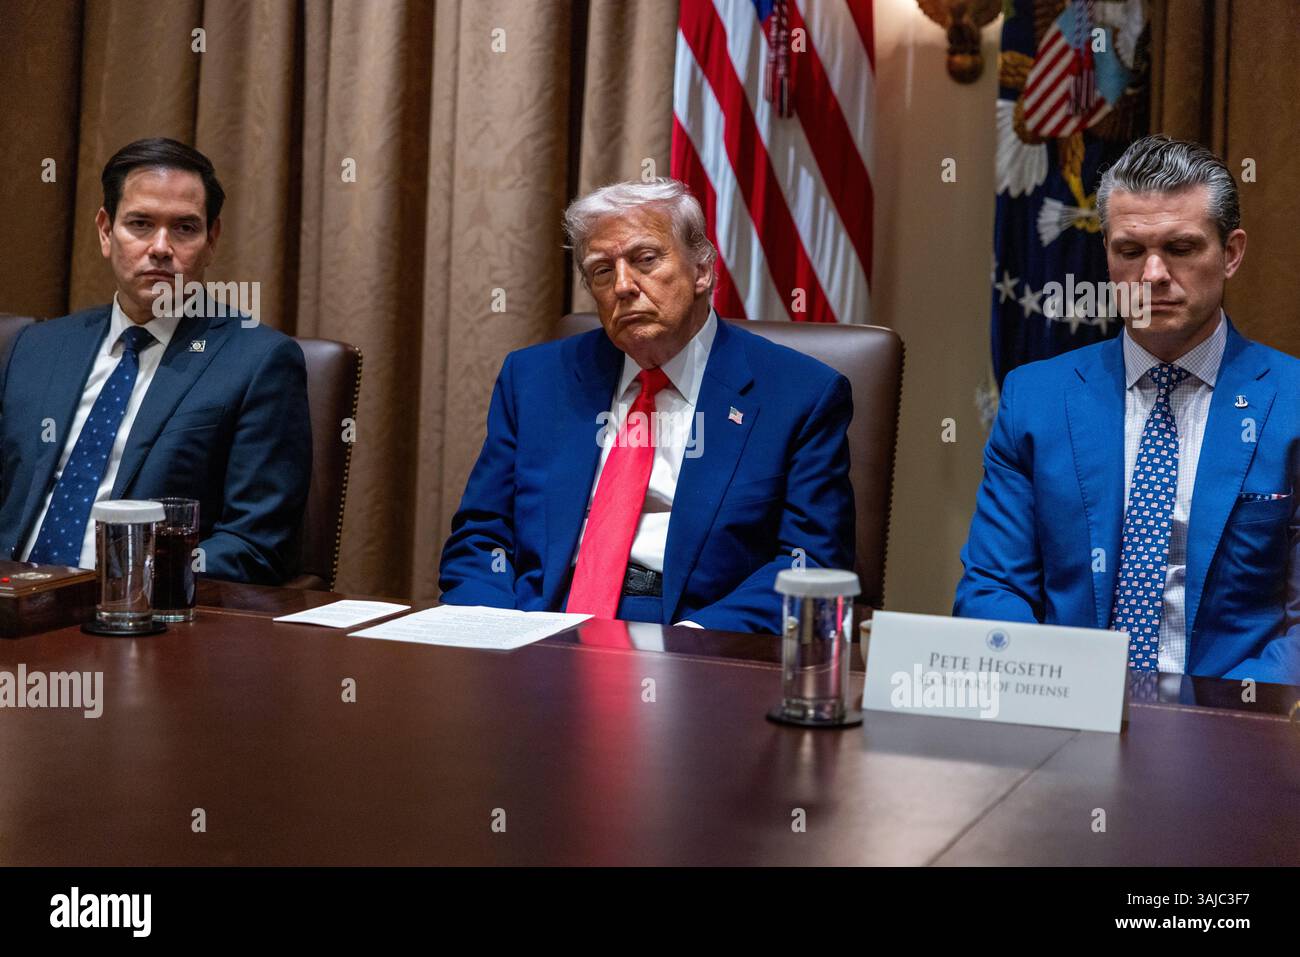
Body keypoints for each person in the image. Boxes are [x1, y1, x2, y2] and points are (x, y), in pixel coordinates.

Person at [439, 178, 855, 633]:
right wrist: (487, 627)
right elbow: (482, 535)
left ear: (702, 270)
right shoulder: (535, 379)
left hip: (693, 628)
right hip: (538, 622)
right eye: (601, 270)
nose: (622, 286)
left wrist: (695, 647)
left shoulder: (799, 395)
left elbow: (809, 563)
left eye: (646, 260)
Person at [955, 135, 1300, 684]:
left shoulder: (1291, 404)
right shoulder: (1035, 399)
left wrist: (1217, 720)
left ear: (1230, 254)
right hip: (1065, 717)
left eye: (1182, 248)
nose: (1154, 275)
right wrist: (1047, 692)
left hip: (1234, 728)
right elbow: (995, 588)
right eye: (1130, 251)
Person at [0, 137, 311, 584]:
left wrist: (132, 584)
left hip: (140, 613)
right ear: (106, 232)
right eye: (141, 224)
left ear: (211, 241)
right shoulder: (37, 348)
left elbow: (254, 545)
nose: (161, 246)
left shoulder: (258, 362)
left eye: (185, 228)